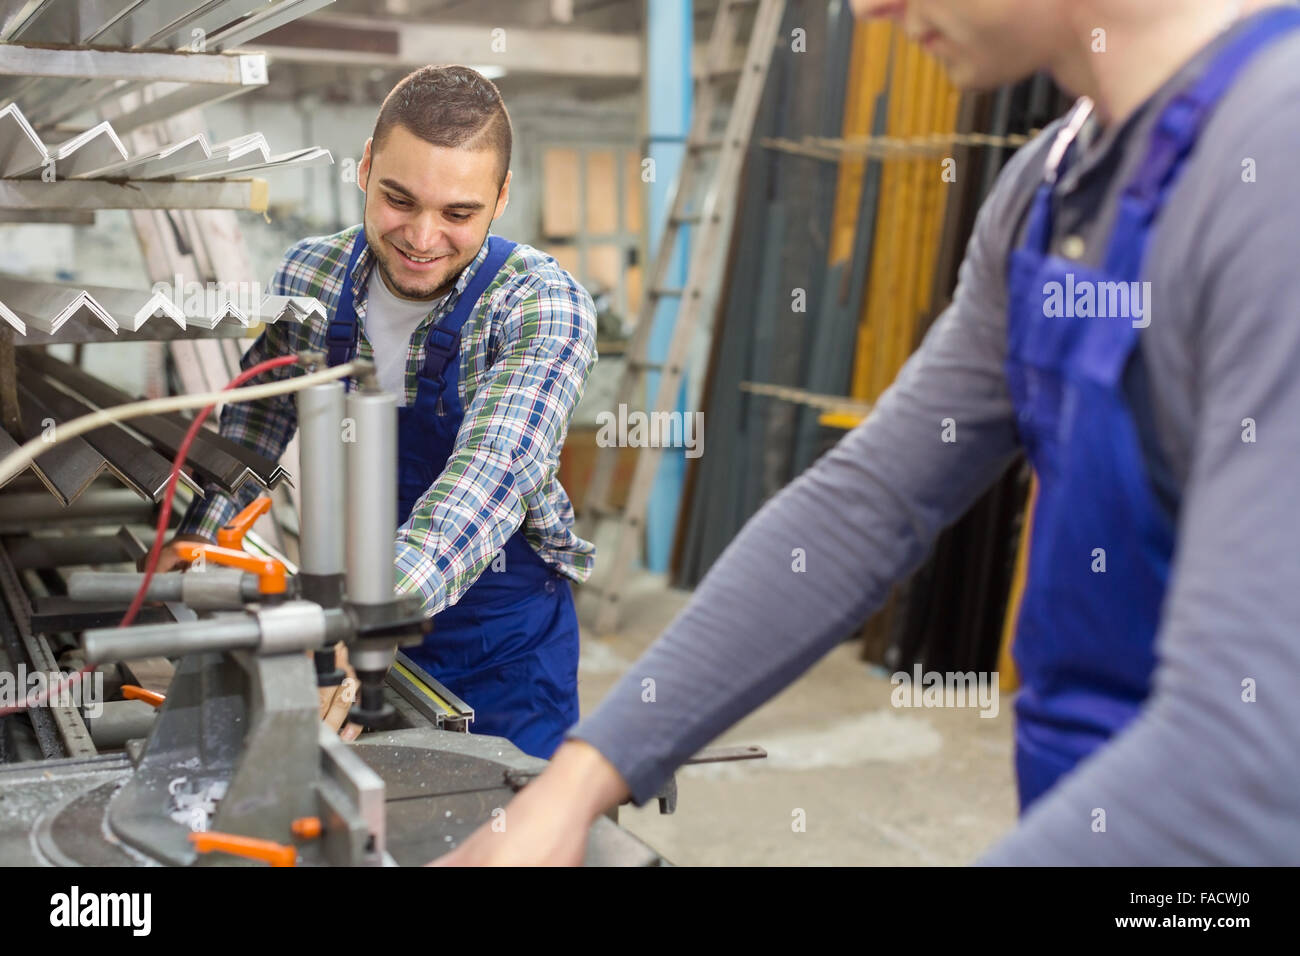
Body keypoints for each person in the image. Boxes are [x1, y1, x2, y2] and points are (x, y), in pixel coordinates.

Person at [439, 0, 1300, 864]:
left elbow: (1250, 748)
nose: (867, 7)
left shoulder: (1274, 155)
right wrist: (579, 779)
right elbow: (865, 507)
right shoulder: (1053, 184)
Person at [163, 65, 598, 761]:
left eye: (459, 213)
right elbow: (252, 434)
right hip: (349, 612)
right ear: (365, 167)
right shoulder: (310, 276)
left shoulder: (539, 305)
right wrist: (193, 567)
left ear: (501, 197)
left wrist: (373, 610)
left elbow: (495, 470)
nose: (423, 238)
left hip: (502, 645)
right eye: (399, 199)